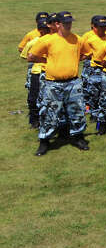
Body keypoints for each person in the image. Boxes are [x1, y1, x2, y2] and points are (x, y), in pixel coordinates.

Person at [29, 12, 92, 155]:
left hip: (73, 82)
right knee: (49, 113)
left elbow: (87, 53)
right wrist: (48, 61)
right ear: (58, 24)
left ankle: (78, 137)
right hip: (53, 84)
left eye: (70, 22)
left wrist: (75, 59)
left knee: (77, 112)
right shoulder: (48, 40)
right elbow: (31, 56)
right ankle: (44, 141)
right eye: (66, 23)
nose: (69, 25)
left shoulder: (77, 39)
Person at [21, 18, 52, 129]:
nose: (45, 32)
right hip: (37, 72)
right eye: (42, 30)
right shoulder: (33, 42)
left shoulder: (54, 40)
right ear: (39, 30)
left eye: (47, 29)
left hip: (50, 72)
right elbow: (25, 56)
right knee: (33, 98)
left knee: (49, 98)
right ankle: (34, 121)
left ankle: (49, 120)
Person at [80, 15, 106, 126]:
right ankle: (93, 112)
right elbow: (81, 53)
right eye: (100, 27)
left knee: (105, 92)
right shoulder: (88, 37)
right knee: (92, 91)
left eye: (104, 26)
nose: (103, 29)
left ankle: (103, 113)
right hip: (93, 68)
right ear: (94, 26)